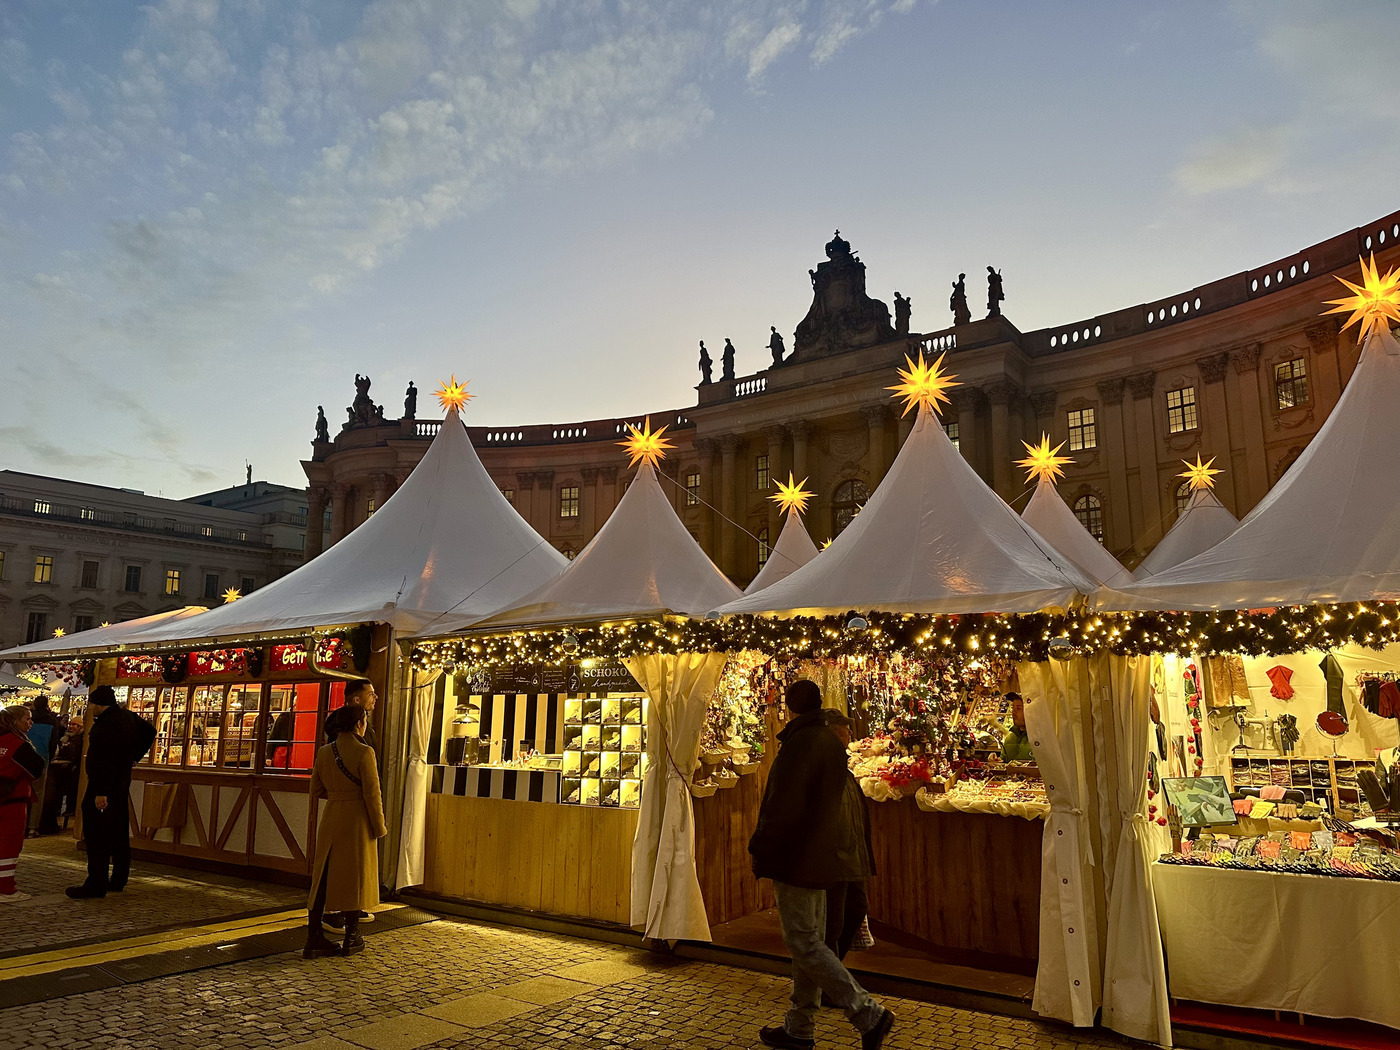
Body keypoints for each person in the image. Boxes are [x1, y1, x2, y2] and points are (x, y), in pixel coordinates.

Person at [749, 680, 894, 1050]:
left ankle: (867, 1014)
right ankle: (799, 1027)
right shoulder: (828, 746)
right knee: (809, 941)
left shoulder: (800, 745)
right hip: (820, 858)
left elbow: (783, 806)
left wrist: (762, 847)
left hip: (799, 858)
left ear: (790, 706)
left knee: (803, 942)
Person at [303, 703, 386, 959]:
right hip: (357, 819)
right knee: (354, 876)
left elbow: (316, 789)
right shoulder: (364, 752)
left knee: (323, 878)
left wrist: (338, 795)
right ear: (358, 723)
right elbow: (373, 794)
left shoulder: (324, 752)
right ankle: (352, 935)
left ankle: (314, 936)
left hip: (332, 816)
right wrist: (379, 826)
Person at [66, 686, 156, 899]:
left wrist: (100, 792)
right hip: (121, 782)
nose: (90, 709)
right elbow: (150, 731)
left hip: (103, 785)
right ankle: (118, 878)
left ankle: (96, 883)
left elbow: (103, 761)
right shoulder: (127, 717)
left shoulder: (106, 726)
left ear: (98, 704)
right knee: (118, 832)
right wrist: (136, 755)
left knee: (97, 835)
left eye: (92, 705)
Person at [821, 712, 873, 961]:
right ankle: (830, 976)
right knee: (833, 921)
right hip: (834, 857)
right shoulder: (824, 769)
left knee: (857, 908)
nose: (850, 734)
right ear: (832, 732)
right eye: (845, 729)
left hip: (852, 854)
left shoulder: (844, 770)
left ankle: (833, 968)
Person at [0, 705, 45, 902]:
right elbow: (36, 767)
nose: (30, 723)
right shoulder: (17, 744)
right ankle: (6, 888)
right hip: (12, 801)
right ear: (14, 721)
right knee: (10, 844)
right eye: (27, 719)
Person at [26, 696, 63, 837]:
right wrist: (50, 755)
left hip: (24, 757)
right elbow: (53, 743)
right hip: (42, 758)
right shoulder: (52, 721)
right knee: (38, 794)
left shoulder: (28, 719)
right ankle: (33, 827)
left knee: (22, 790)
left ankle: (23, 823)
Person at [1000, 693, 1033, 763]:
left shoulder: (1040, 739)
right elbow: (1003, 762)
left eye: (1018, 708)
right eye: (1013, 708)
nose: (1013, 712)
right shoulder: (1010, 738)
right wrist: (996, 761)